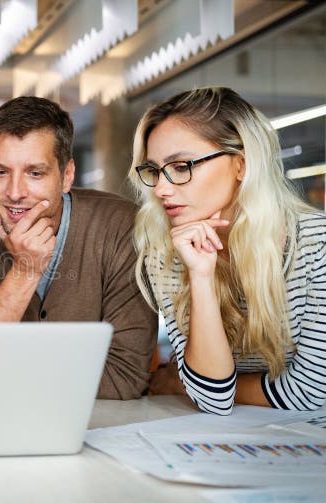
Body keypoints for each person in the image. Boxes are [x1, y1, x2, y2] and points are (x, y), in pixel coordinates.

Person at [0, 96, 157, 399]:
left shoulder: (121, 226)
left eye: (35, 173)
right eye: (0, 172)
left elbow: (124, 378)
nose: (14, 193)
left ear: (66, 176)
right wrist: (25, 272)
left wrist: (1, 376)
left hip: (100, 430)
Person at [130, 86, 326, 415]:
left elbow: (313, 392)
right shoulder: (166, 252)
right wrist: (201, 276)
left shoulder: (315, 246)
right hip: (230, 446)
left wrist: (181, 383)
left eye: (181, 167)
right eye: (155, 170)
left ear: (241, 165)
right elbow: (212, 399)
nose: (162, 189)